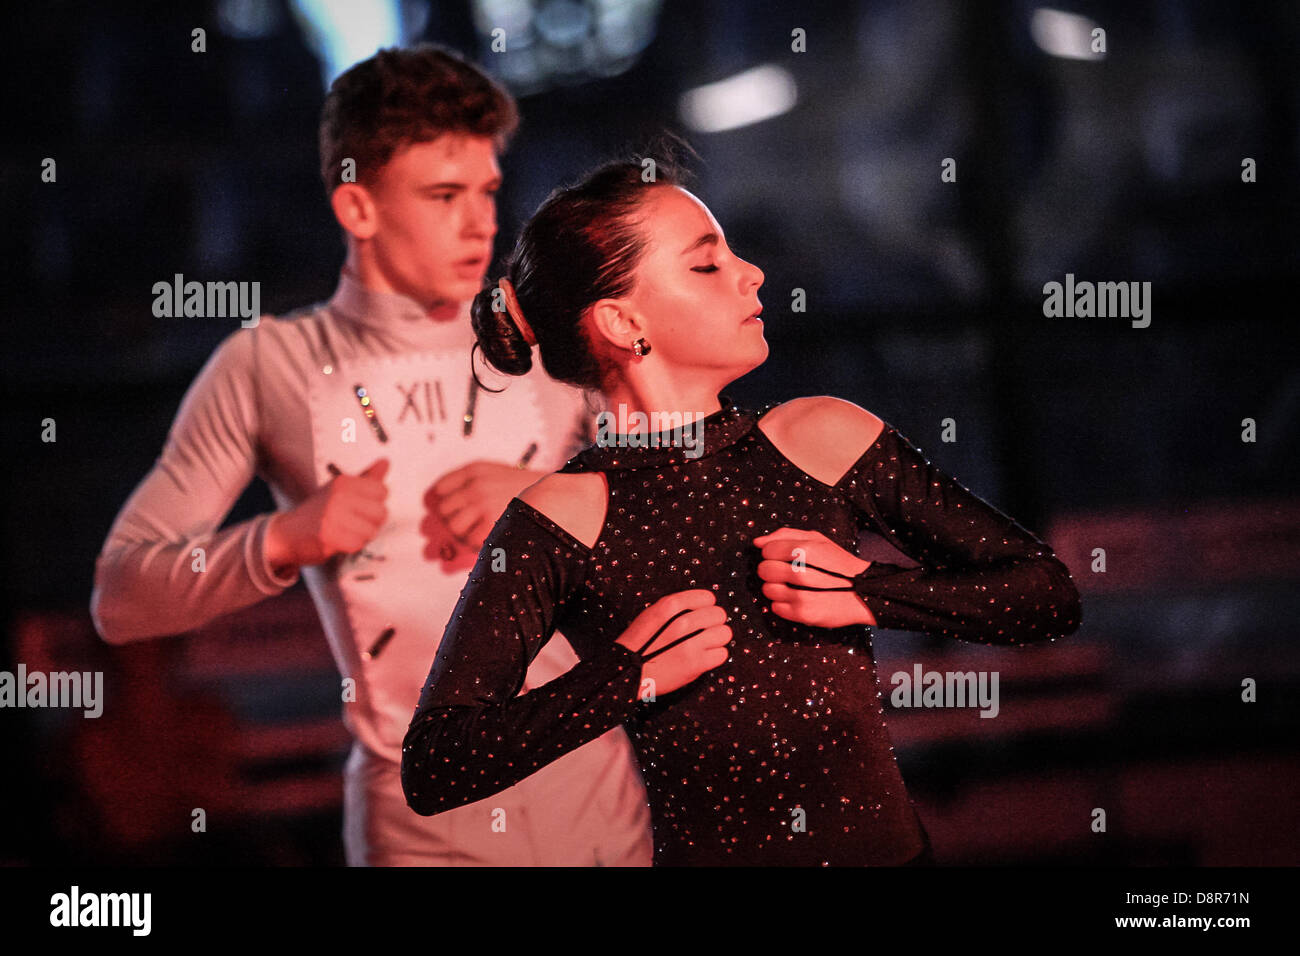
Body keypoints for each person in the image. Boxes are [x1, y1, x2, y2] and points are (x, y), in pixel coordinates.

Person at [401, 153, 1084, 865]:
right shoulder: (564, 515)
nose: (751, 274)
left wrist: (867, 593)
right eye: (706, 265)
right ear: (622, 321)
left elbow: (1047, 594)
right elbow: (436, 762)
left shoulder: (822, 435)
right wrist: (623, 678)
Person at [90, 45, 653, 866]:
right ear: (357, 207)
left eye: (489, 191)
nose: (481, 223)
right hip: (420, 824)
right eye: (444, 195)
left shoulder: (560, 336)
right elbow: (121, 596)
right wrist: (280, 543)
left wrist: (551, 497)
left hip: (597, 800)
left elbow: (701, 526)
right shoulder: (268, 366)